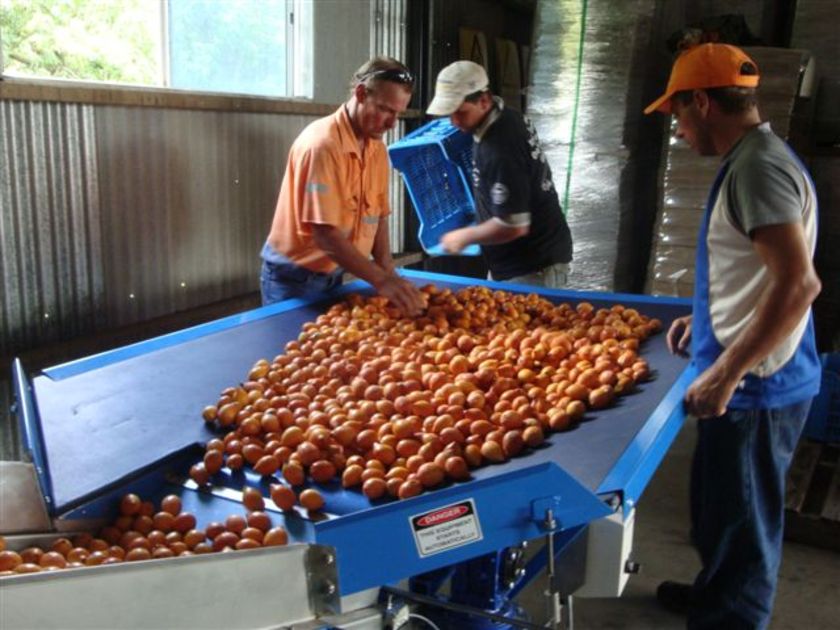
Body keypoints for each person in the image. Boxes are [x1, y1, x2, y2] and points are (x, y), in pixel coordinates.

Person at [645, 43, 822, 629]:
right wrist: (712, 318)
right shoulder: (756, 157)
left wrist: (724, 371)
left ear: (702, 102)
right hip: (751, 376)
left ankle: (730, 615)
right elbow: (754, 270)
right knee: (720, 511)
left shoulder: (757, 169)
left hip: (758, 389)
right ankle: (712, 593)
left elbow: (798, 285)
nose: (677, 129)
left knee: (745, 528)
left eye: (677, 114)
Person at [260, 56, 426, 316]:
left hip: (333, 275)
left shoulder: (376, 148)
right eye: (385, 109)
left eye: (398, 113)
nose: (392, 123)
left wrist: (388, 271)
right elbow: (325, 234)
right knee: (295, 354)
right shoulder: (322, 146)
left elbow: (378, 216)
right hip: (294, 280)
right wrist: (382, 281)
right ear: (361, 93)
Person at [426, 61, 573, 288]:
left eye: (460, 112)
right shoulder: (505, 116)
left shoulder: (499, 148)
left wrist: (463, 237)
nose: (454, 122)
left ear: (484, 100)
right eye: (449, 114)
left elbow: (513, 225)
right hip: (512, 263)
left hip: (533, 265)